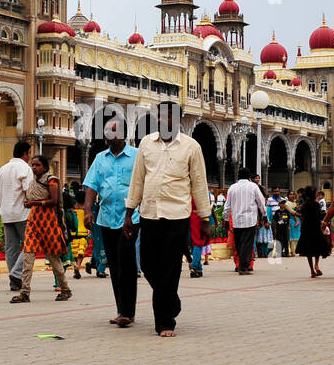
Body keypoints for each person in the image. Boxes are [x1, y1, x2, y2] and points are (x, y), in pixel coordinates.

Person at [122, 101, 211, 337]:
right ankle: (171, 300)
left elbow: (199, 184)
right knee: (149, 265)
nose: (162, 121)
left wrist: (205, 217)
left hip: (177, 216)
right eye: (159, 116)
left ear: (178, 120)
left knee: (170, 269)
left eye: (168, 117)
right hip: (149, 214)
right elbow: (137, 179)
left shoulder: (191, 147)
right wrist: (129, 213)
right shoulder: (146, 144)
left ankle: (164, 322)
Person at [83, 114, 139, 326]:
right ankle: (121, 309)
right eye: (106, 131)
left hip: (131, 218)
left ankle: (128, 311)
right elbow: (91, 186)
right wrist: (88, 211)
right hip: (106, 218)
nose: (108, 135)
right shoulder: (100, 158)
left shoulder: (136, 155)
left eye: (112, 131)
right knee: (114, 265)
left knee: (126, 261)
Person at [11, 154, 71, 303]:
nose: (34, 167)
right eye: (33, 165)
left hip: (48, 222)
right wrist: (30, 204)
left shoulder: (51, 180)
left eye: (37, 165)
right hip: (34, 221)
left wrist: (34, 203)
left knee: (53, 257)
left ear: (45, 167)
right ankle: (24, 292)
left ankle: (65, 288)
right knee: (28, 256)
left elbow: (53, 201)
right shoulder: (34, 182)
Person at [0, 141, 34, 293]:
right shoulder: (25, 169)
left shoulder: (3, 169)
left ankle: (14, 282)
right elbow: (29, 192)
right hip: (22, 212)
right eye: (29, 153)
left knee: (11, 248)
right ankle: (16, 274)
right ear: (25, 153)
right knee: (30, 245)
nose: (29, 157)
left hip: (6, 213)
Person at [225, 167, 266, 275]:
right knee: (247, 244)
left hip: (236, 220)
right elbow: (261, 202)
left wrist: (225, 220)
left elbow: (227, 206)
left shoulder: (232, 188)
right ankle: (243, 267)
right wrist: (264, 215)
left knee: (239, 244)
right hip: (249, 220)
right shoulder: (253, 187)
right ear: (249, 177)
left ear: (238, 176)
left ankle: (242, 265)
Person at [294, 185, 330, 278]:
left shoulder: (304, 205)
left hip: (306, 228)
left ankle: (312, 271)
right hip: (315, 227)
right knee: (317, 247)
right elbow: (318, 216)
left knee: (308, 250)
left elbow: (302, 216)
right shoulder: (316, 204)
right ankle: (316, 265)